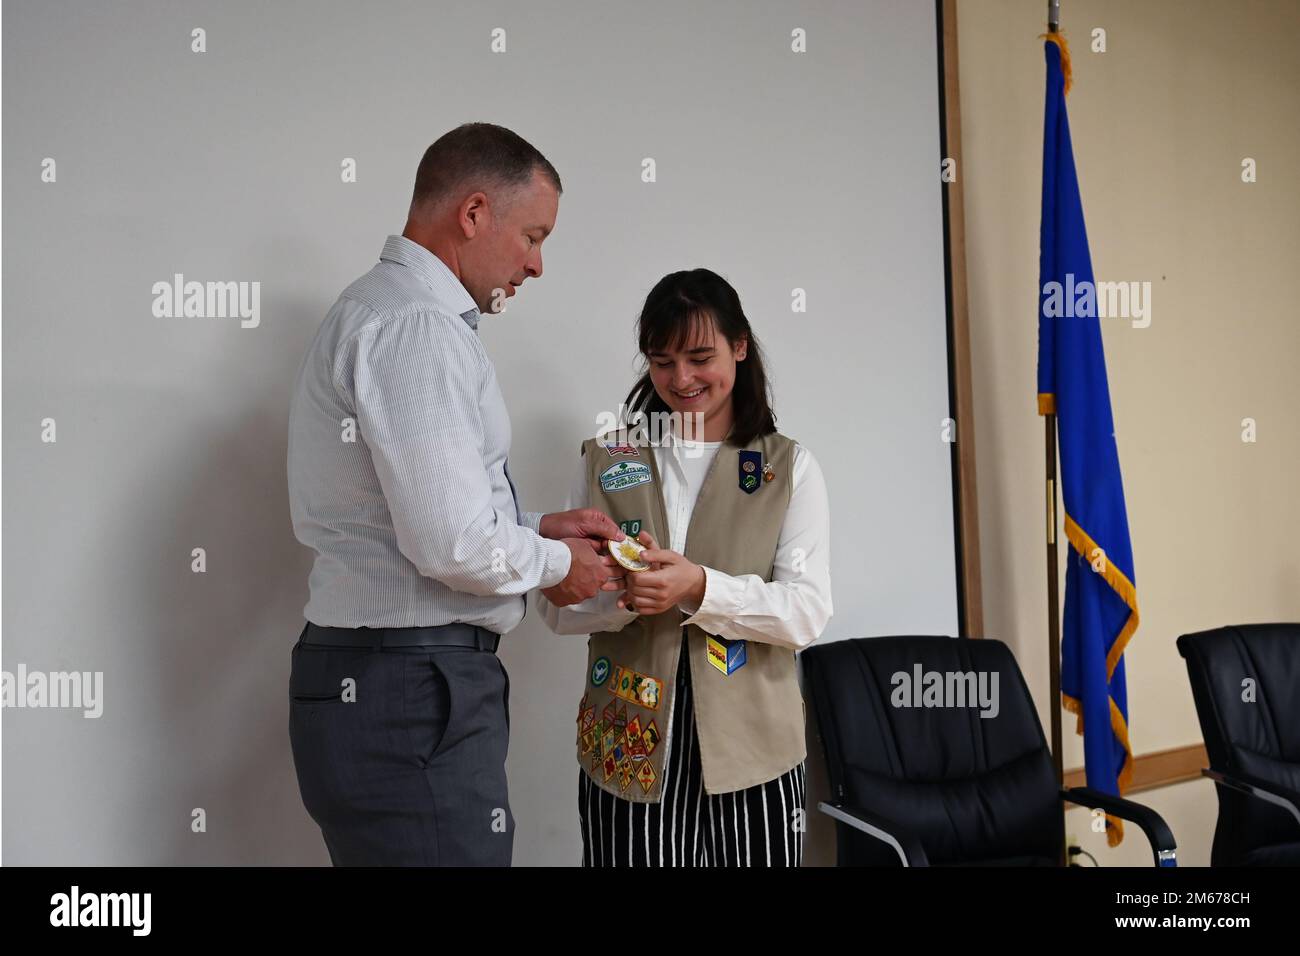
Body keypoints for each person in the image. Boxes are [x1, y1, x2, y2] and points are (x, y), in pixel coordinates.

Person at [286, 123, 624, 866]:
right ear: (473, 214)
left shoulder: (383, 311)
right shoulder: (416, 327)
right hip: (413, 691)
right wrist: (559, 565)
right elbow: (451, 545)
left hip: (387, 684)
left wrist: (539, 527)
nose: (536, 265)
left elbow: (403, 520)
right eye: (533, 236)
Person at [539, 268, 833, 866]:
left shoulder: (788, 467)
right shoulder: (606, 458)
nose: (682, 379)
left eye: (701, 356)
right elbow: (555, 608)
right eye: (662, 360)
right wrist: (621, 599)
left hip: (754, 751)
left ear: (740, 347)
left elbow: (806, 612)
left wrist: (698, 588)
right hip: (628, 740)